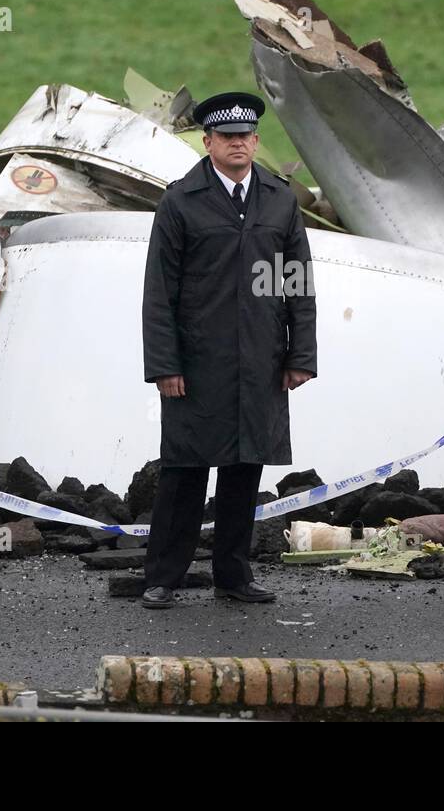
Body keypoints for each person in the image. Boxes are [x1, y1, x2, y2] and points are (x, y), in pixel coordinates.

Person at [139, 91, 317, 609]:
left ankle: (233, 577)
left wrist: (300, 355)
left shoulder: (280, 200)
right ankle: (162, 578)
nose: (238, 144)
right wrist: (165, 366)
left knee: (246, 469)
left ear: (256, 142)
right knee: (184, 471)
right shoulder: (180, 202)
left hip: (261, 361)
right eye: (227, 137)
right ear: (208, 142)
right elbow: (159, 293)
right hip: (197, 364)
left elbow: (298, 282)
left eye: (246, 136)